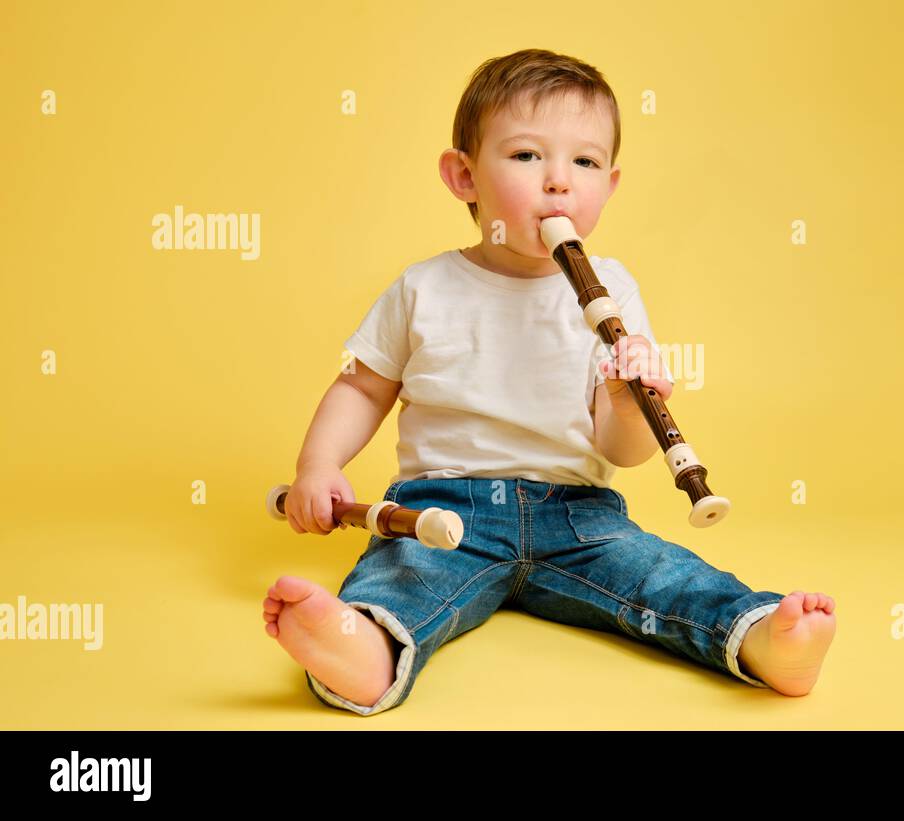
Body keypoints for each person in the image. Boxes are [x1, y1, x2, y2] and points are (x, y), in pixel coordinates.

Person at [260, 48, 836, 716]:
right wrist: (318, 463)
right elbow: (361, 388)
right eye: (528, 156)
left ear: (610, 185)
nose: (558, 182)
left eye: (584, 162)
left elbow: (622, 449)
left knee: (658, 574)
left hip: (580, 515)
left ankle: (757, 635)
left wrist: (626, 396)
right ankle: (364, 647)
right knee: (403, 578)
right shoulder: (423, 288)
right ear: (463, 176)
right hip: (446, 509)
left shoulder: (613, 290)